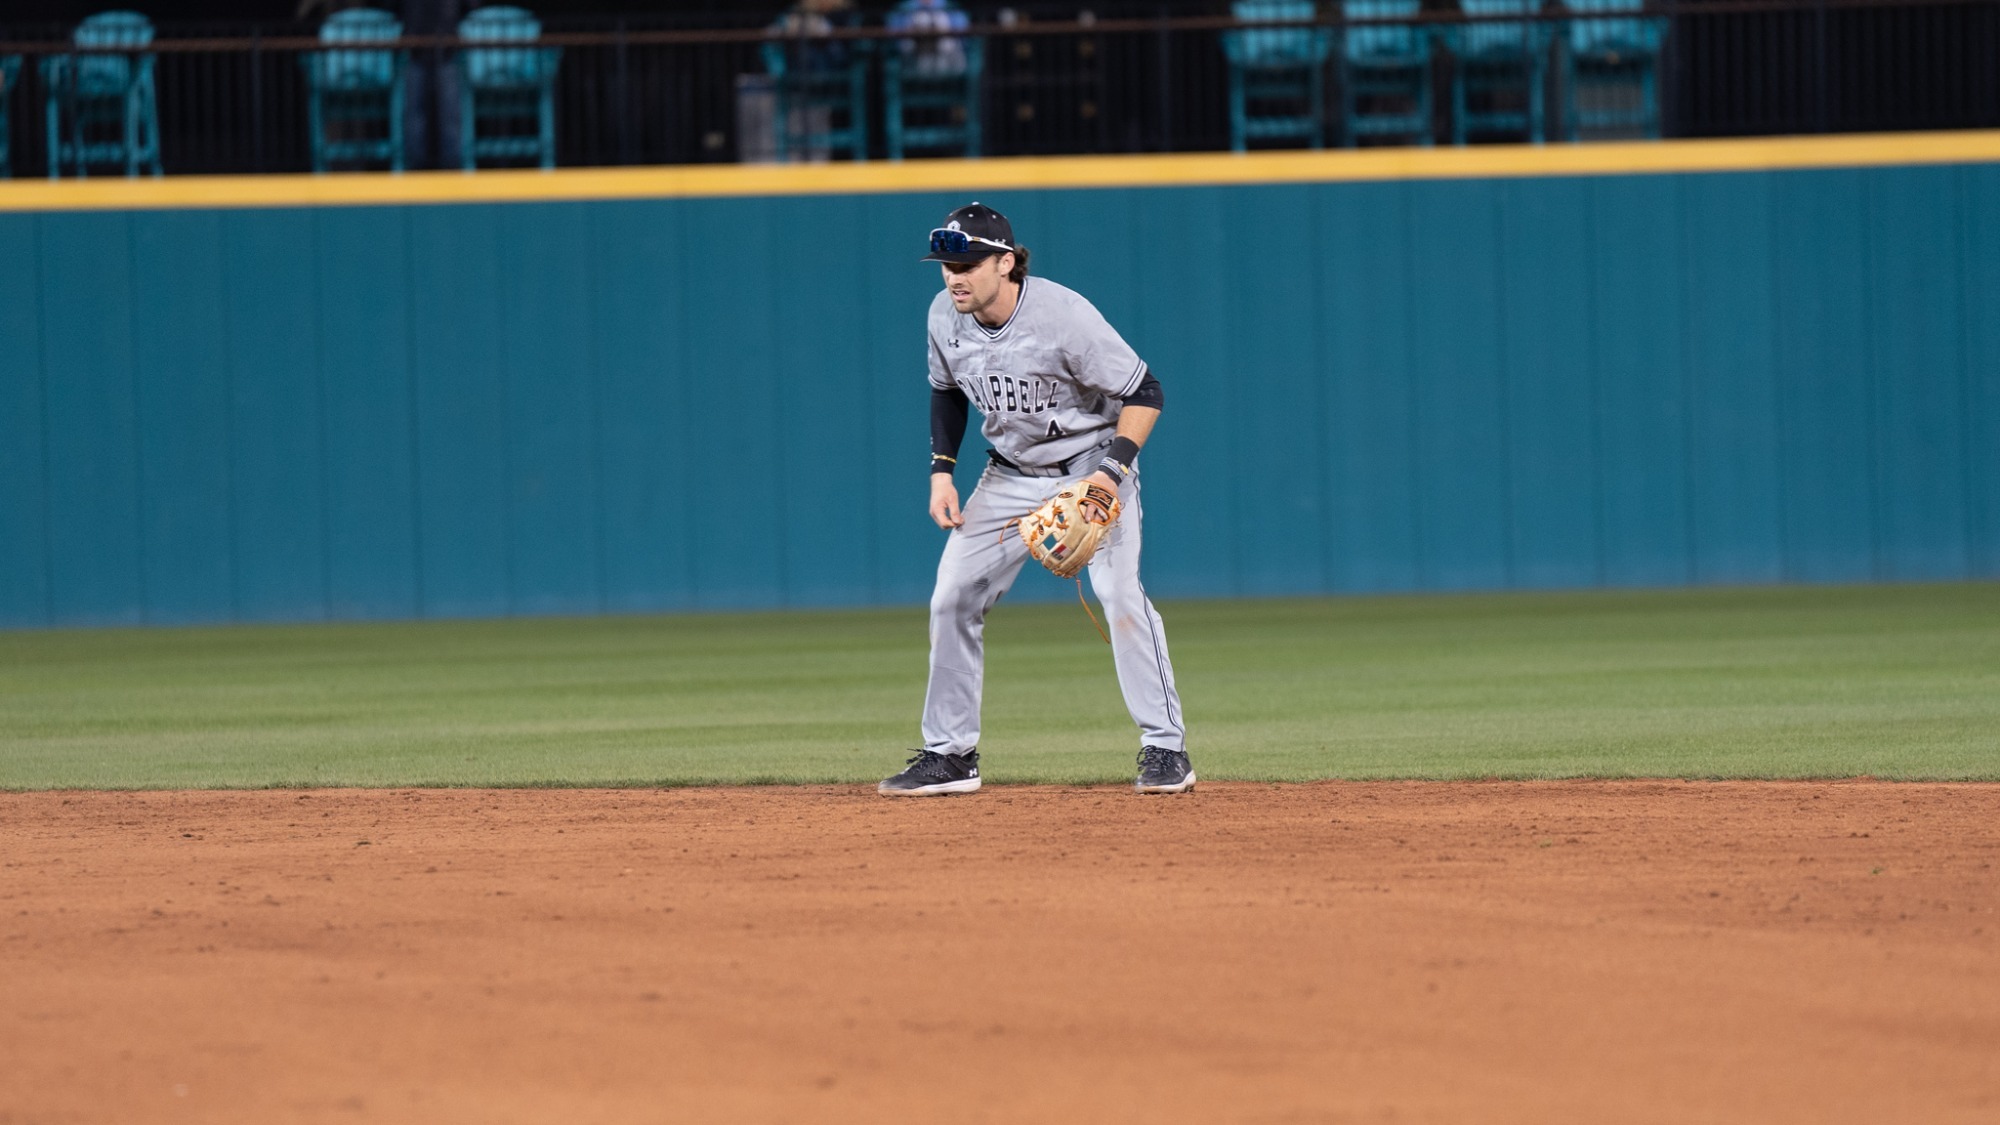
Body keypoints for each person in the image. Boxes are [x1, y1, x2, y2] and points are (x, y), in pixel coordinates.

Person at [878, 203, 1194, 798]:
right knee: (951, 598)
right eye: (947, 264)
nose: (955, 275)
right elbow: (945, 392)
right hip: (1007, 478)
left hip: (1090, 470)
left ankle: (1165, 747)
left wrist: (1111, 472)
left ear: (1006, 262)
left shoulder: (1063, 316)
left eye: (969, 262)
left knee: (1118, 594)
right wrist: (940, 472)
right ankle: (951, 756)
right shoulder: (944, 315)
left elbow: (1145, 391)